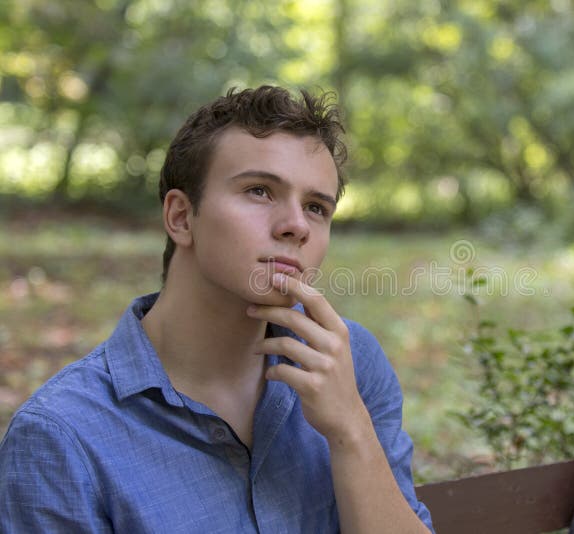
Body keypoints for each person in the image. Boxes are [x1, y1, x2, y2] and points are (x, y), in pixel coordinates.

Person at [0, 86, 434, 533]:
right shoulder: (61, 438)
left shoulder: (349, 363)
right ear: (182, 218)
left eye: (316, 207)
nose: (297, 226)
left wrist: (350, 431)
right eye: (260, 190)